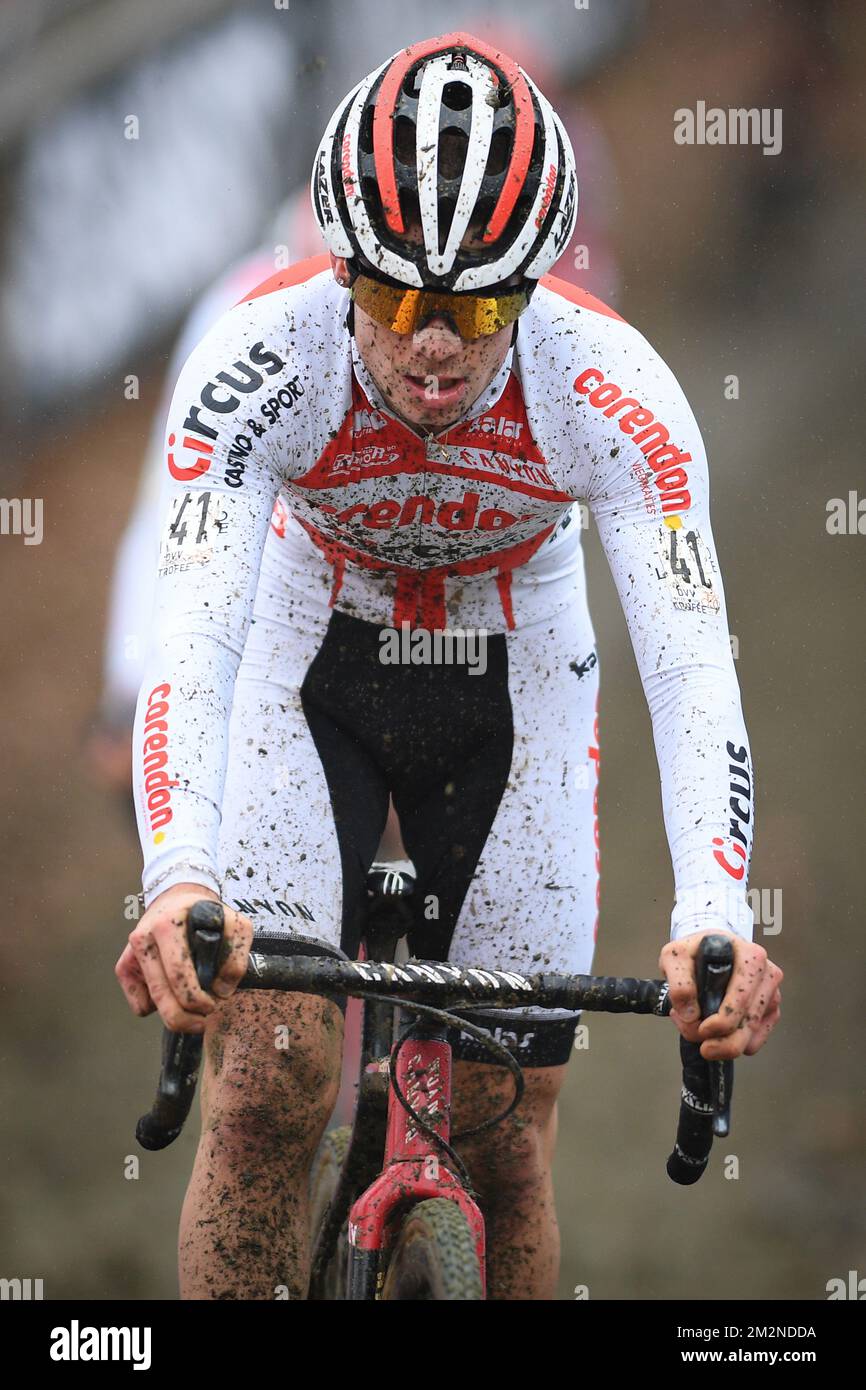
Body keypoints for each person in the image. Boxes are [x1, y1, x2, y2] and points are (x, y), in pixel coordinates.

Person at [115, 31, 782, 1301]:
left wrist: (714, 912)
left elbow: (693, 666)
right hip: (302, 663)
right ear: (339, 268)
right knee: (264, 1084)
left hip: (513, 668)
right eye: (395, 297)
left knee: (501, 1132)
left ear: (536, 287)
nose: (433, 345)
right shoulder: (263, 359)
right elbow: (192, 635)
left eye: (477, 305)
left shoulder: (610, 389)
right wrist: (176, 874)